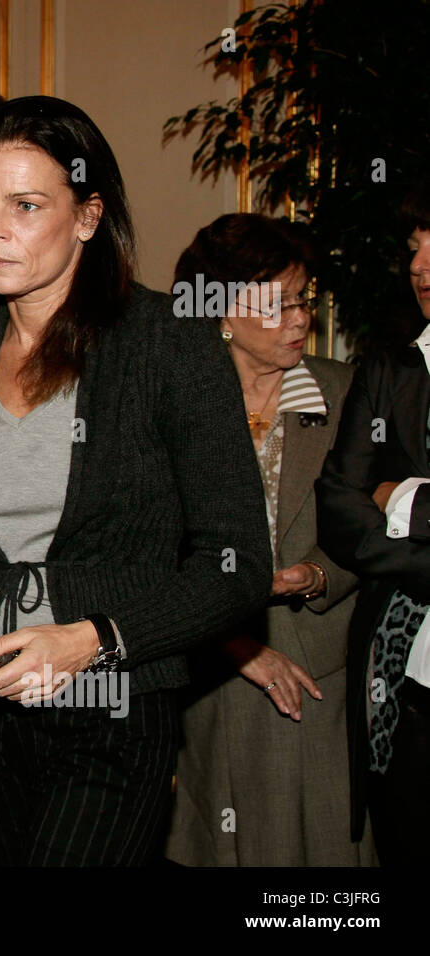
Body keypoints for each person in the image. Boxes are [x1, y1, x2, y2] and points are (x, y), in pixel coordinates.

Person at [0, 96, 272, 866]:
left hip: (112, 704)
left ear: (87, 217)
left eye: (26, 205)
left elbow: (237, 566)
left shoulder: (169, 345)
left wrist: (95, 642)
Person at [164, 214, 376, 866]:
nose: (298, 318)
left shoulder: (344, 393)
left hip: (322, 680)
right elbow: (147, 544)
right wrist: (236, 646)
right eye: (277, 302)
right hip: (209, 679)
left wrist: (315, 575)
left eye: (303, 298)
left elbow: (371, 525)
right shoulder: (173, 399)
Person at [316, 178, 430, 865]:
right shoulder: (390, 370)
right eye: (414, 246)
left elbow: (370, 502)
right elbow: (338, 508)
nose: (420, 265)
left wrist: (403, 498)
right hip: (405, 698)